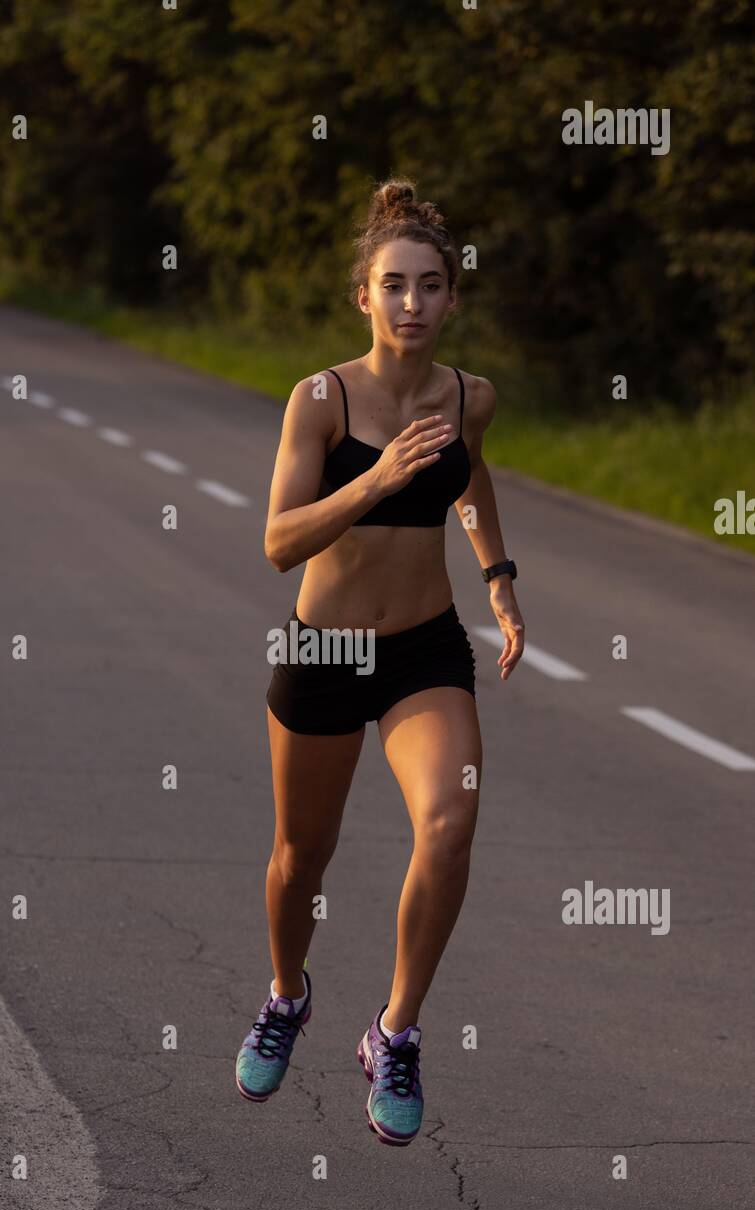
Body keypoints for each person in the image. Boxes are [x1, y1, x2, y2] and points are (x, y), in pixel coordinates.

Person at [236, 178, 525, 1145]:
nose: (411, 302)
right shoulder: (319, 399)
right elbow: (280, 540)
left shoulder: (467, 397)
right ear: (363, 296)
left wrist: (497, 574)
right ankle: (286, 997)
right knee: (297, 859)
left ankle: (394, 1031)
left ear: (452, 298)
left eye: (429, 285)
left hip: (422, 648)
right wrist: (378, 477)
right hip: (324, 646)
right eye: (392, 284)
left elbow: (471, 475)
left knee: (450, 820)